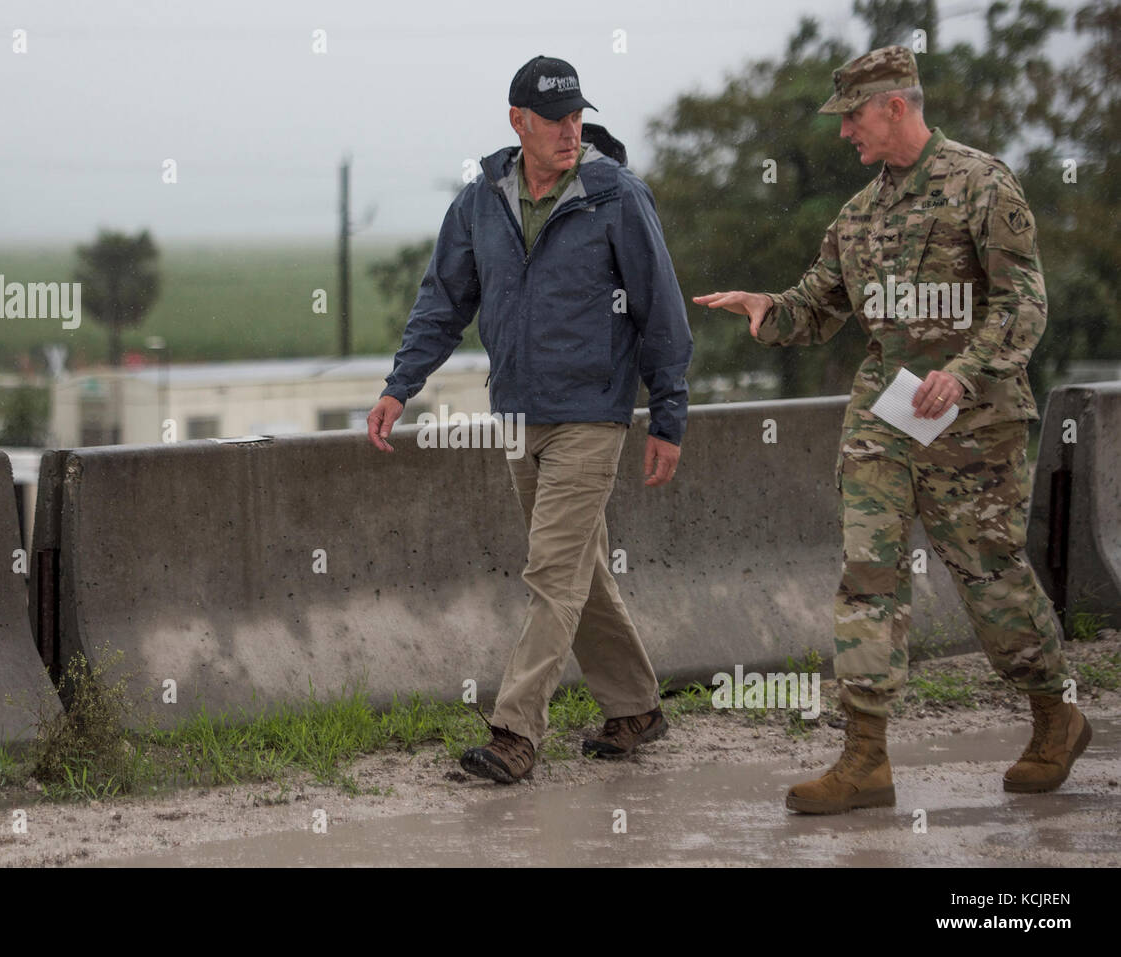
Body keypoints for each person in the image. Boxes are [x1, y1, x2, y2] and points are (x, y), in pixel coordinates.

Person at [695, 45, 1090, 814]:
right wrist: (766, 310)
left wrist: (968, 370)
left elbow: (1023, 304)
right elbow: (819, 305)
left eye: (853, 116)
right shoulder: (859, 215)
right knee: (868, 572)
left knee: (990, 575)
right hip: (887, 417)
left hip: (976, 421)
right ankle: (865, 756)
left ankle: (1055, 714)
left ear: (895, 107)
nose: (846, 133)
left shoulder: (983, 183)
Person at [367, 55, 693, 783]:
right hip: (517, 413)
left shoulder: (616, 198)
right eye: (555, 119)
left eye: (579, 117)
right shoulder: (482, 202)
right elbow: (442, 302)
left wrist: (667, 415)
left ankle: (515, 730)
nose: (570, 131)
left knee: (550, 571)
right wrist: (400, 386)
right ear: (518, 121)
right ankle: (637, 706)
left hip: (592, 415)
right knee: (580, 570)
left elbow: (662, 310)